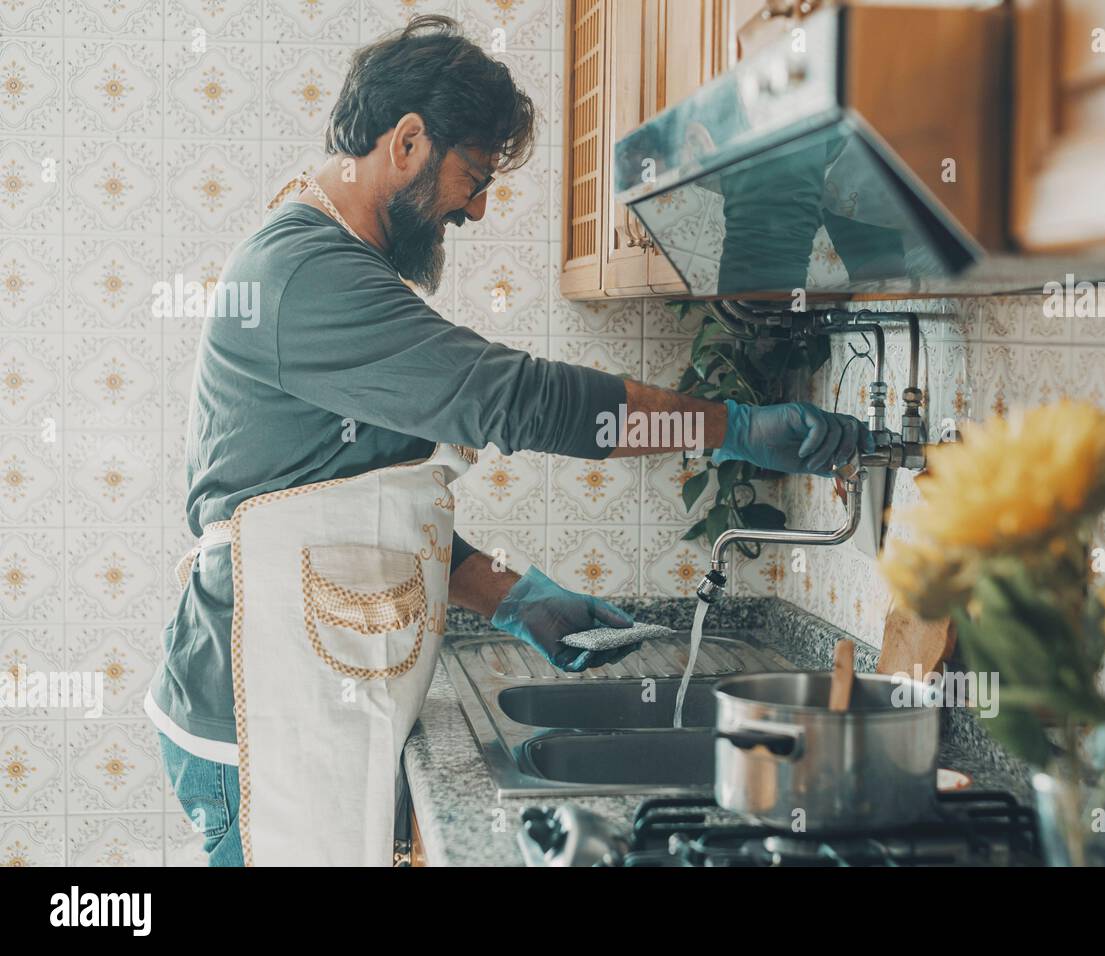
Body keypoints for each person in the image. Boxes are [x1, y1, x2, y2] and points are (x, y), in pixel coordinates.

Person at [147, 14, 871, 866]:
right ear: (409, 140)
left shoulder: (332, 256)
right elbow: (518, 398)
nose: (480, 209)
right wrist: (730, 429)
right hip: (253, 725)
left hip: (288, 701)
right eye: (475, 175)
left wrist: (511, 597)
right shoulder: (306, 273)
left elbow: (349, 509)